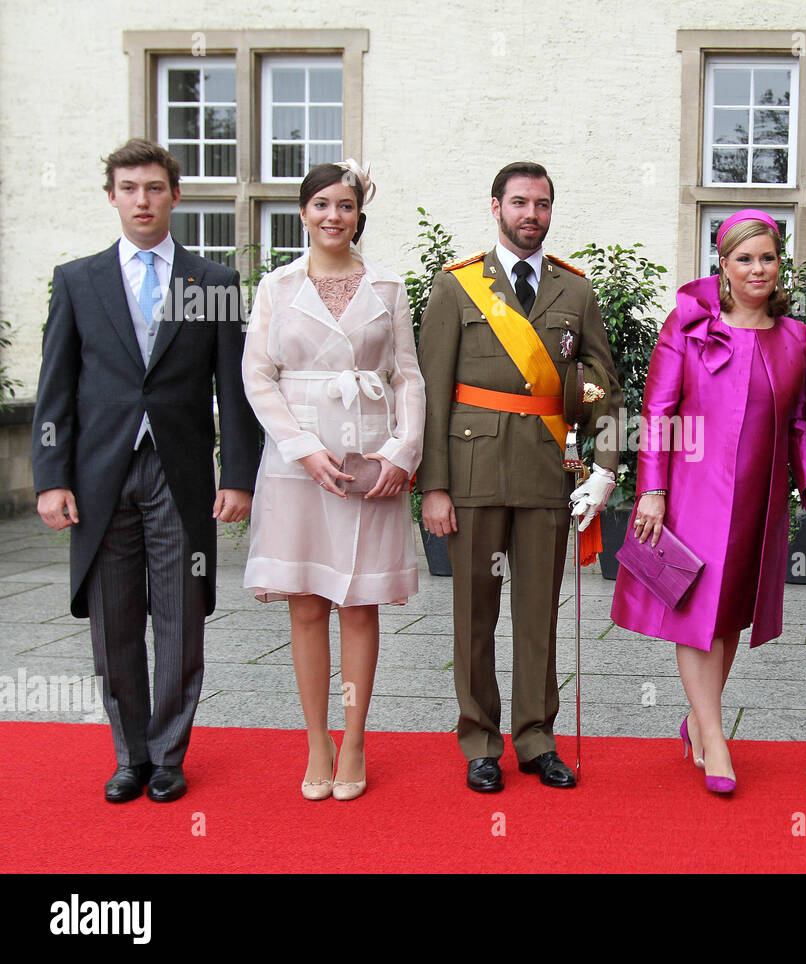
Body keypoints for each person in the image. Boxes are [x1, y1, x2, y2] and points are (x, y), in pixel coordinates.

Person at [31, 138, 260, 803]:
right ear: (112, 197)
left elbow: (234, 388)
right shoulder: (77, 280)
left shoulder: (213, 283)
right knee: (114, 625)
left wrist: (238, 475)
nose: (142, 199)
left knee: (180, 620)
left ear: (175, 196)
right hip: (100, 476)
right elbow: (56, 385)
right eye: (129, 188)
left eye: (154, 187)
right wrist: (51, 475)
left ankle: (168, 756)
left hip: (181, 475)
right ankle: (129, 754)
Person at [418, 161, 623, 793]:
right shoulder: (457, 288)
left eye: (542, 204)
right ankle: (480, 740)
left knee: (539, 615)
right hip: (474, 469)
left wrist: (608, 467)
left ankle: (536, 739)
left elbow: (604, 388)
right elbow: (432, 394)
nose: (530, 214)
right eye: (519, 203)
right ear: (495, 207)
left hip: (545, 473)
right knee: (474, 615)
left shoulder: (576, 291)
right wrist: (435, 486)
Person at [610, 210, 806, 794]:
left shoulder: (797, 337)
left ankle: (699, 719)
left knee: (730, 615)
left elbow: (800, 423)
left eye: (767, 258)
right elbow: (657, 413)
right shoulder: (688, 326)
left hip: (761, 495)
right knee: (697, 612)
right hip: (692, 492)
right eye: (744, 259)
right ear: (722, 266)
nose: (757, 269)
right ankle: (716, 740)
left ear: (780, 266)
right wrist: (651, 490)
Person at [242, 161, 424, 801]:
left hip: (370, 463)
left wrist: (403, 453)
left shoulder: (390, 286)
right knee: (306, 601)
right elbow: (258, 377)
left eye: (344, 206)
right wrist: (302, 449)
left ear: (358, 215)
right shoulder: (276, 287)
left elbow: (408, 377)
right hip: (298, 469)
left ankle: (354, 738)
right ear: (303, 212)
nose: (332, 216)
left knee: (360, 601)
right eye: (321, 204)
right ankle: (316, 739)